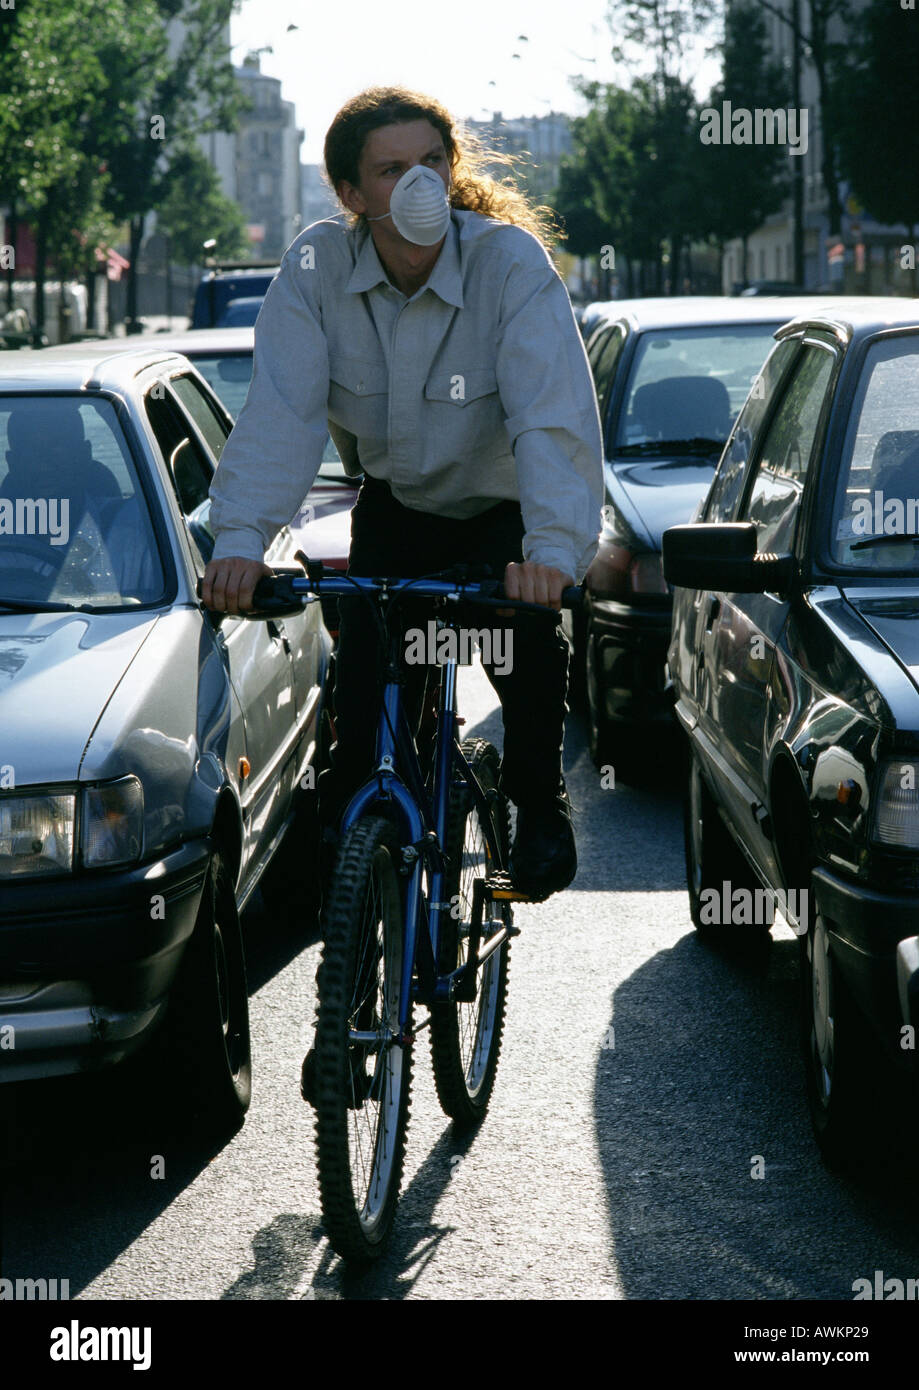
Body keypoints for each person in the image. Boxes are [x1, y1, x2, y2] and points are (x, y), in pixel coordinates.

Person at [202, 85, 603, 901]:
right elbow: (281, 414)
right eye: (390, 170)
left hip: (503, 516)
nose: (418, 183)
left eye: (431, 162)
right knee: (360, 738)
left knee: (524, 639)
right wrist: (239, 545)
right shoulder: (316, 268)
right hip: (397, 509)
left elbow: (551, 419)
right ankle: (362, 934)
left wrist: (553, 555)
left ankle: (537, 804)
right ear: (350, 195)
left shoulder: (508, 262)